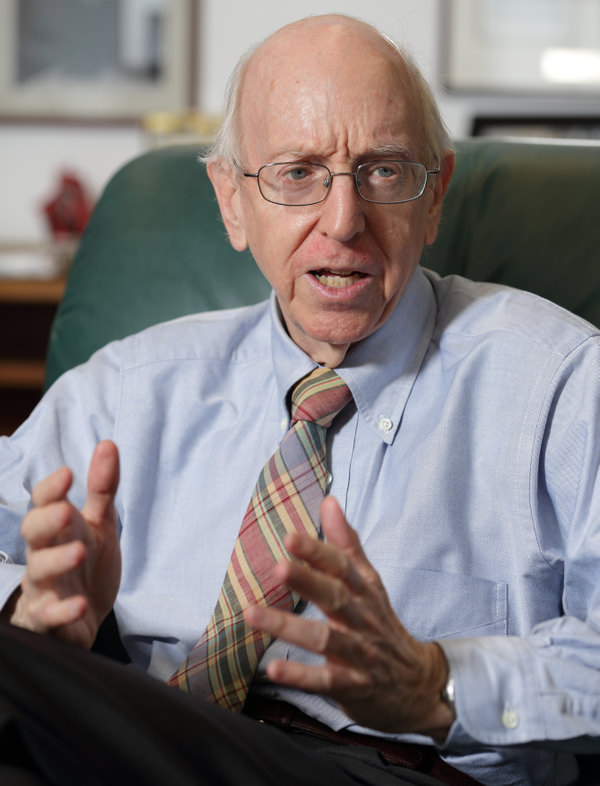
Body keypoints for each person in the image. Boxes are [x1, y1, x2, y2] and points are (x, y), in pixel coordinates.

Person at [0, 13, 599, 786]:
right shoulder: (132, 388)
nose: (343, 222)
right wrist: (31, 612)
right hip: (143, 741)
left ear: (436, 195)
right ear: (231, 201)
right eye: (297, 174)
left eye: (384, 171)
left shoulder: (561, 384)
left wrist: (434, 682)